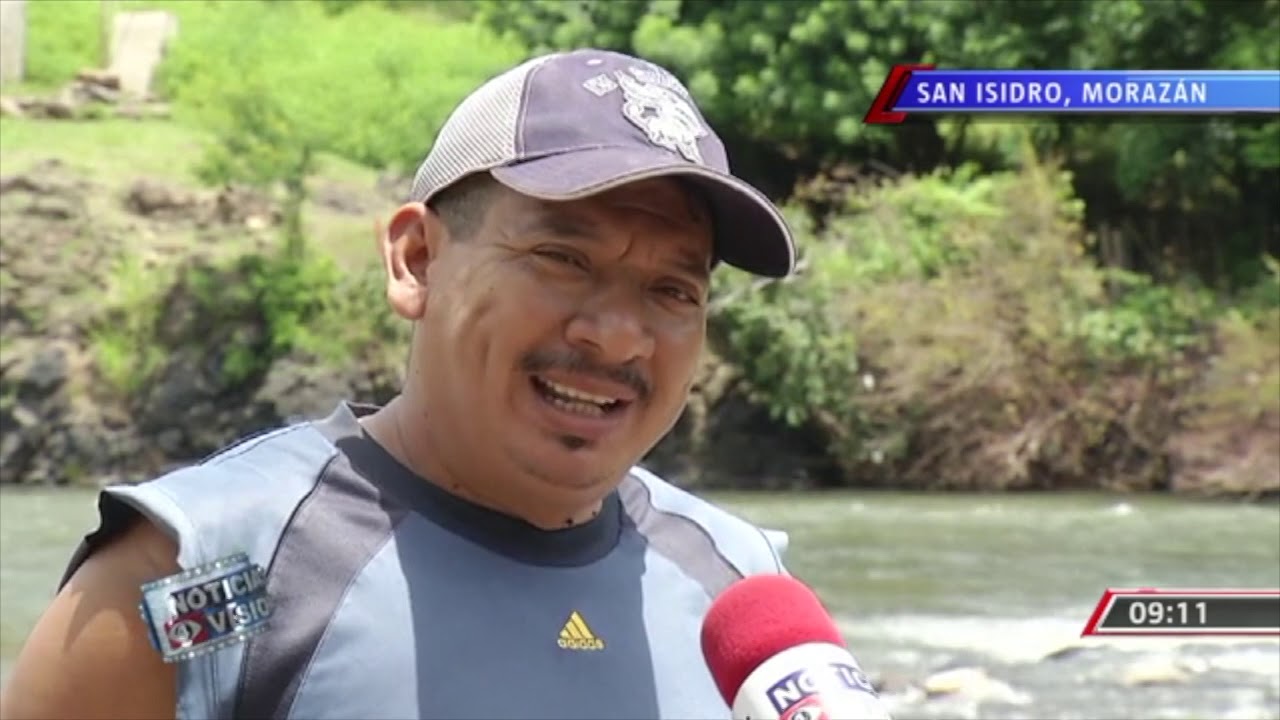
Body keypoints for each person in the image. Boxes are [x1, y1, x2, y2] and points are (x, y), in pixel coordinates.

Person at [0, 47, 798, 720]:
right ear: (417, 260)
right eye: (564, 259)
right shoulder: (212, 578)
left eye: (672, 291)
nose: (618, 334)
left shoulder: (744, 592)